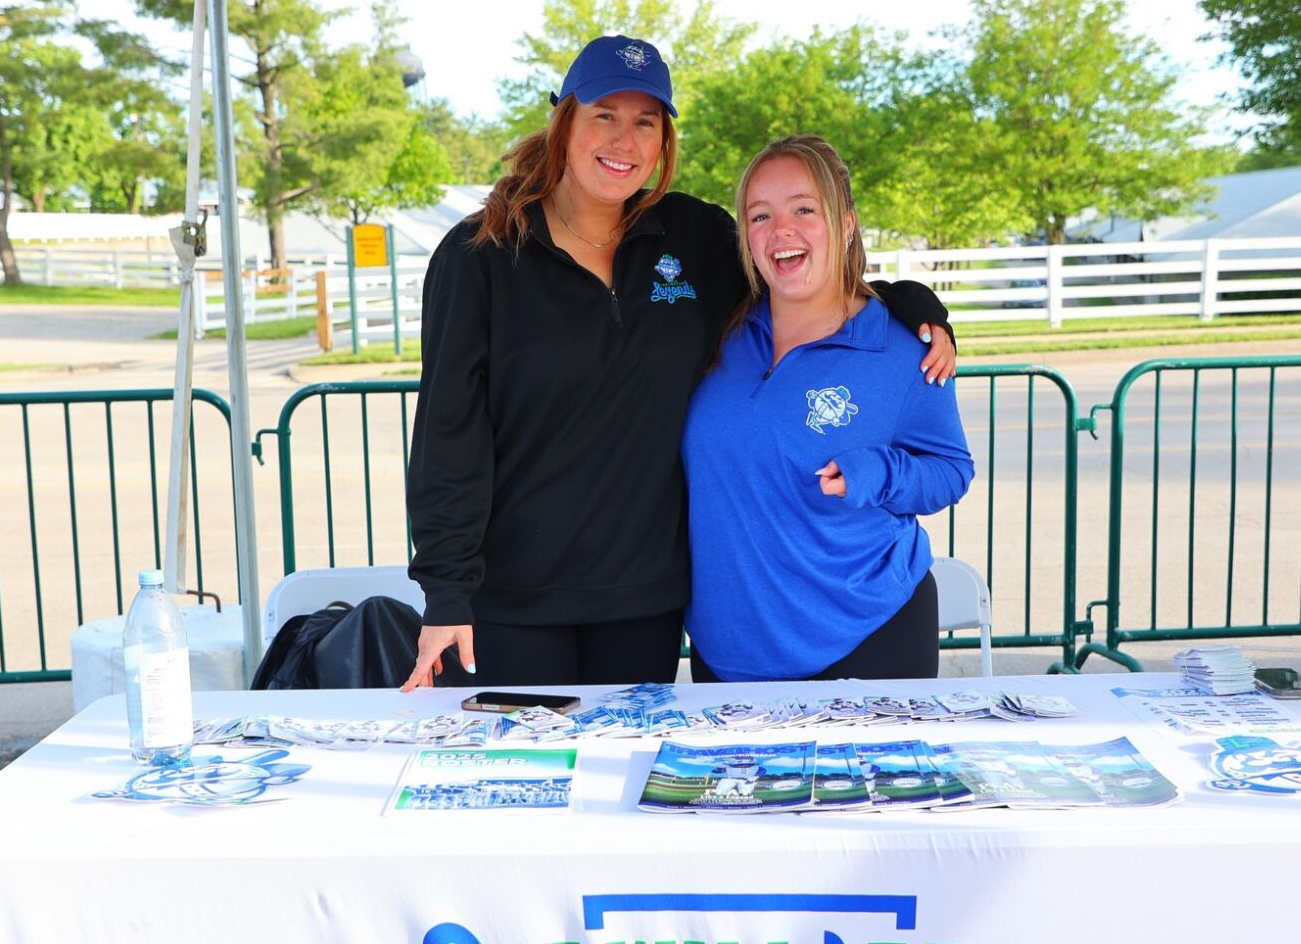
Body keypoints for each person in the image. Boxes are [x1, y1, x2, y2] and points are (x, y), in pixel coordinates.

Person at [402, 37, 957, 691]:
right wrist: (445, 591)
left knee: (624, 781)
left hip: (645, 600)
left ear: (663, 139)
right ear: (563, 122)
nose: (624, 139)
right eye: (604, 114)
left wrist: (909, 302)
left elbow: (798, 274)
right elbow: (448, 432)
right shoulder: (479, 256)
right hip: (516, 600)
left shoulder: (695, 238)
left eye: (645, 121)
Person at [681, 135, 975, 683]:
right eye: (760, 216)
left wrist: (878, 471)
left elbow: (950, 471)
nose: (781, 231)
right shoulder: (716, 330)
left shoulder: (906, 347)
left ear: (846, 225)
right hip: (725, 655)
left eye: (804, 210)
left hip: (867, 639)